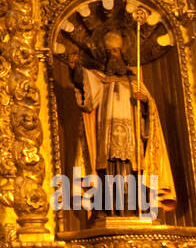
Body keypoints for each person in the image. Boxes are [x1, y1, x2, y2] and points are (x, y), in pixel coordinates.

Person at [69, 31, 176, 219]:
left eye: (116, 51)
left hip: (131, 142)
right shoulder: (100, 80)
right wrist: (74, 68)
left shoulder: (134, 82)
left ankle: (133, 210)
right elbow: (84, 87)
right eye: (110, 52)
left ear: (123, 55)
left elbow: (150, 113)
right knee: (107, 172)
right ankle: (106, 210)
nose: (113, 55)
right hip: (106, 139)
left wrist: (144, 102)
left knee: (130, 174)